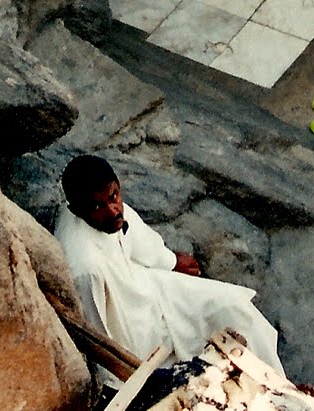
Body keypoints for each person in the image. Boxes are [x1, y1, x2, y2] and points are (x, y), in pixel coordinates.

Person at [54, 155, 284, 381]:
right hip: (137, 331)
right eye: (98, 206)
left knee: (235, 307)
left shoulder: (103, 212)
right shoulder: (86, 268)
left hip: (151, 286)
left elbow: (134, 232)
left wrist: (170, 262)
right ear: (77, 210)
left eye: (114, 196)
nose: (113, 210)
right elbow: (97, 337)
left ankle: (282, 385)